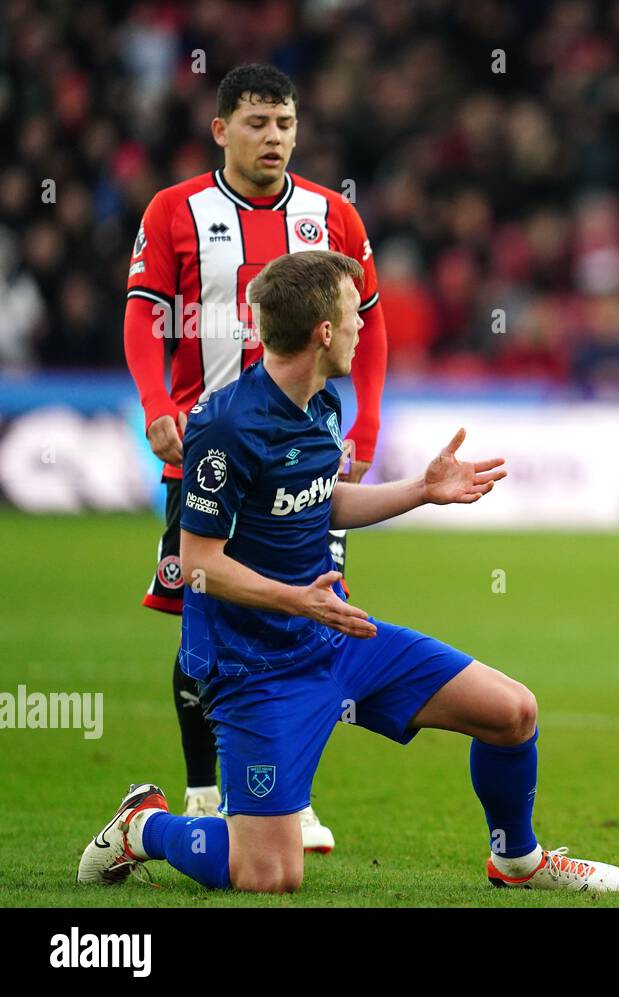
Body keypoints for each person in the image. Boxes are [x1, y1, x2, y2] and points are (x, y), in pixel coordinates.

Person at [81, 250, 619, 894]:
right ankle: (144, 828)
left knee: (512, 712)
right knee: (269, 875)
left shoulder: (323, 403)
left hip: (335, 638)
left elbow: (324, 498)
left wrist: (420, 491)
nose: (362, 328)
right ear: (321, 332)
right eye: (352, 315)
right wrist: (297, 600)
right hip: (255, 668)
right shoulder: (226, 424)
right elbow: (197, 566)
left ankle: (518, 860)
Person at [123, 64, 390, 850]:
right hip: (207, 452)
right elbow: (143, 318)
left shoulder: (332, 215)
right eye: (256, 123)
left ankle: (291, 799)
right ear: (220, 130)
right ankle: (205, 796)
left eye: (284, 123)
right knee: (200, 627)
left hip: (307, 459)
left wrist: (364, 431)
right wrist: (155, 408)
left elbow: (369, 327)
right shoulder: (176, 211)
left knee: (315, 615)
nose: (273, 137)